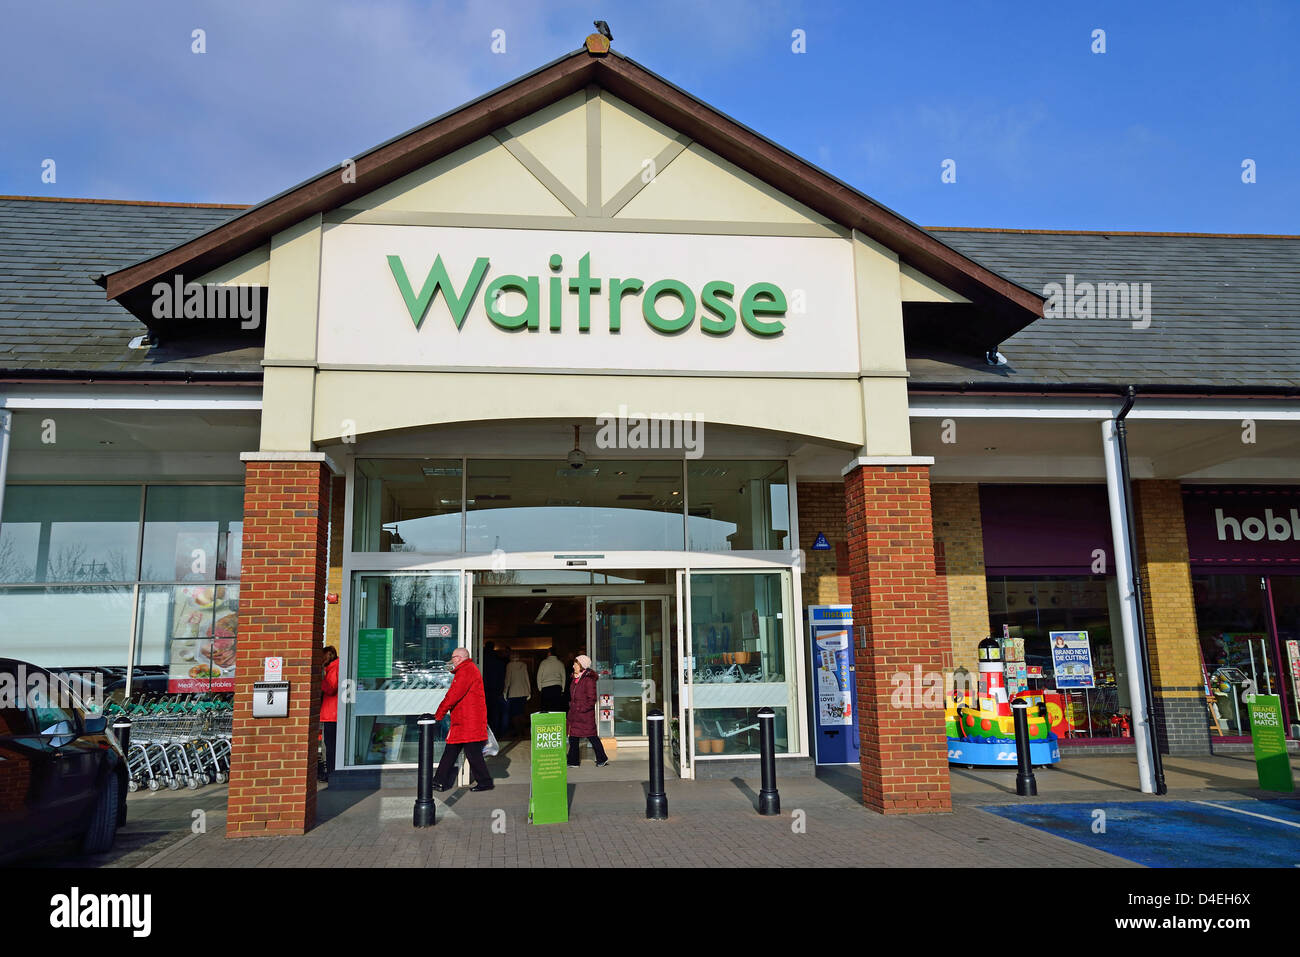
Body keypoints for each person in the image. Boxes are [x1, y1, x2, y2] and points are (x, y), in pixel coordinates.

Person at [431, 647, 493, 792]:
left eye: (453, 657)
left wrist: (439, 714)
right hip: (466, 720)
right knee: (454, 751)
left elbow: (453, 695)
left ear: (459, 658)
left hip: (467, 721)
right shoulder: (468, 670)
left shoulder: (466, 671)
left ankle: (484, 782)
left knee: (471, 753)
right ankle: (438, 781)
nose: (451, 660)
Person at [566, 654, 608, 767]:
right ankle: (573, 761)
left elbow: (591, 699)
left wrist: (580, 708)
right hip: (575, 714)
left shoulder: (588, 680)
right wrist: (573, 707)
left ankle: (602, 758)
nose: (573, 665)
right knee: (573, 738)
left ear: (582, 666)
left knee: (592, 737)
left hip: (585, 715)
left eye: (576, 663)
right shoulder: (575, 678)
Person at [320, 646, 339, 782]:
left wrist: (321, 680)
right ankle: (331, 771)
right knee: (330, 744)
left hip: (332, 714)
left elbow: (331, 688)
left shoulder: (334, 669)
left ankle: (331, 772)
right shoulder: (333, 668)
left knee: (331, 745)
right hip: (331, 712)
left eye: (323, 656)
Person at [503, 651, 532, 738]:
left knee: (514, 713)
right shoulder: (523, 665)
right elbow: (526, 678)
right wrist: (529, 691)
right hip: (523, 692)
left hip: (513, 692)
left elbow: (508, 679)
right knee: (521, 712)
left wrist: (505, 691)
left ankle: (518, 731)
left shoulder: (509, 665)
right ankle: (522, 730)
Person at [482, 641, 507, 736]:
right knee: (495, 713)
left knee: (483, 713)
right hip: (496, 690)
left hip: (483, 689)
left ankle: (484, 733)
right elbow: (502, 677)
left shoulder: (482, 660)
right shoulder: (498, 661)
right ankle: (495, 734)